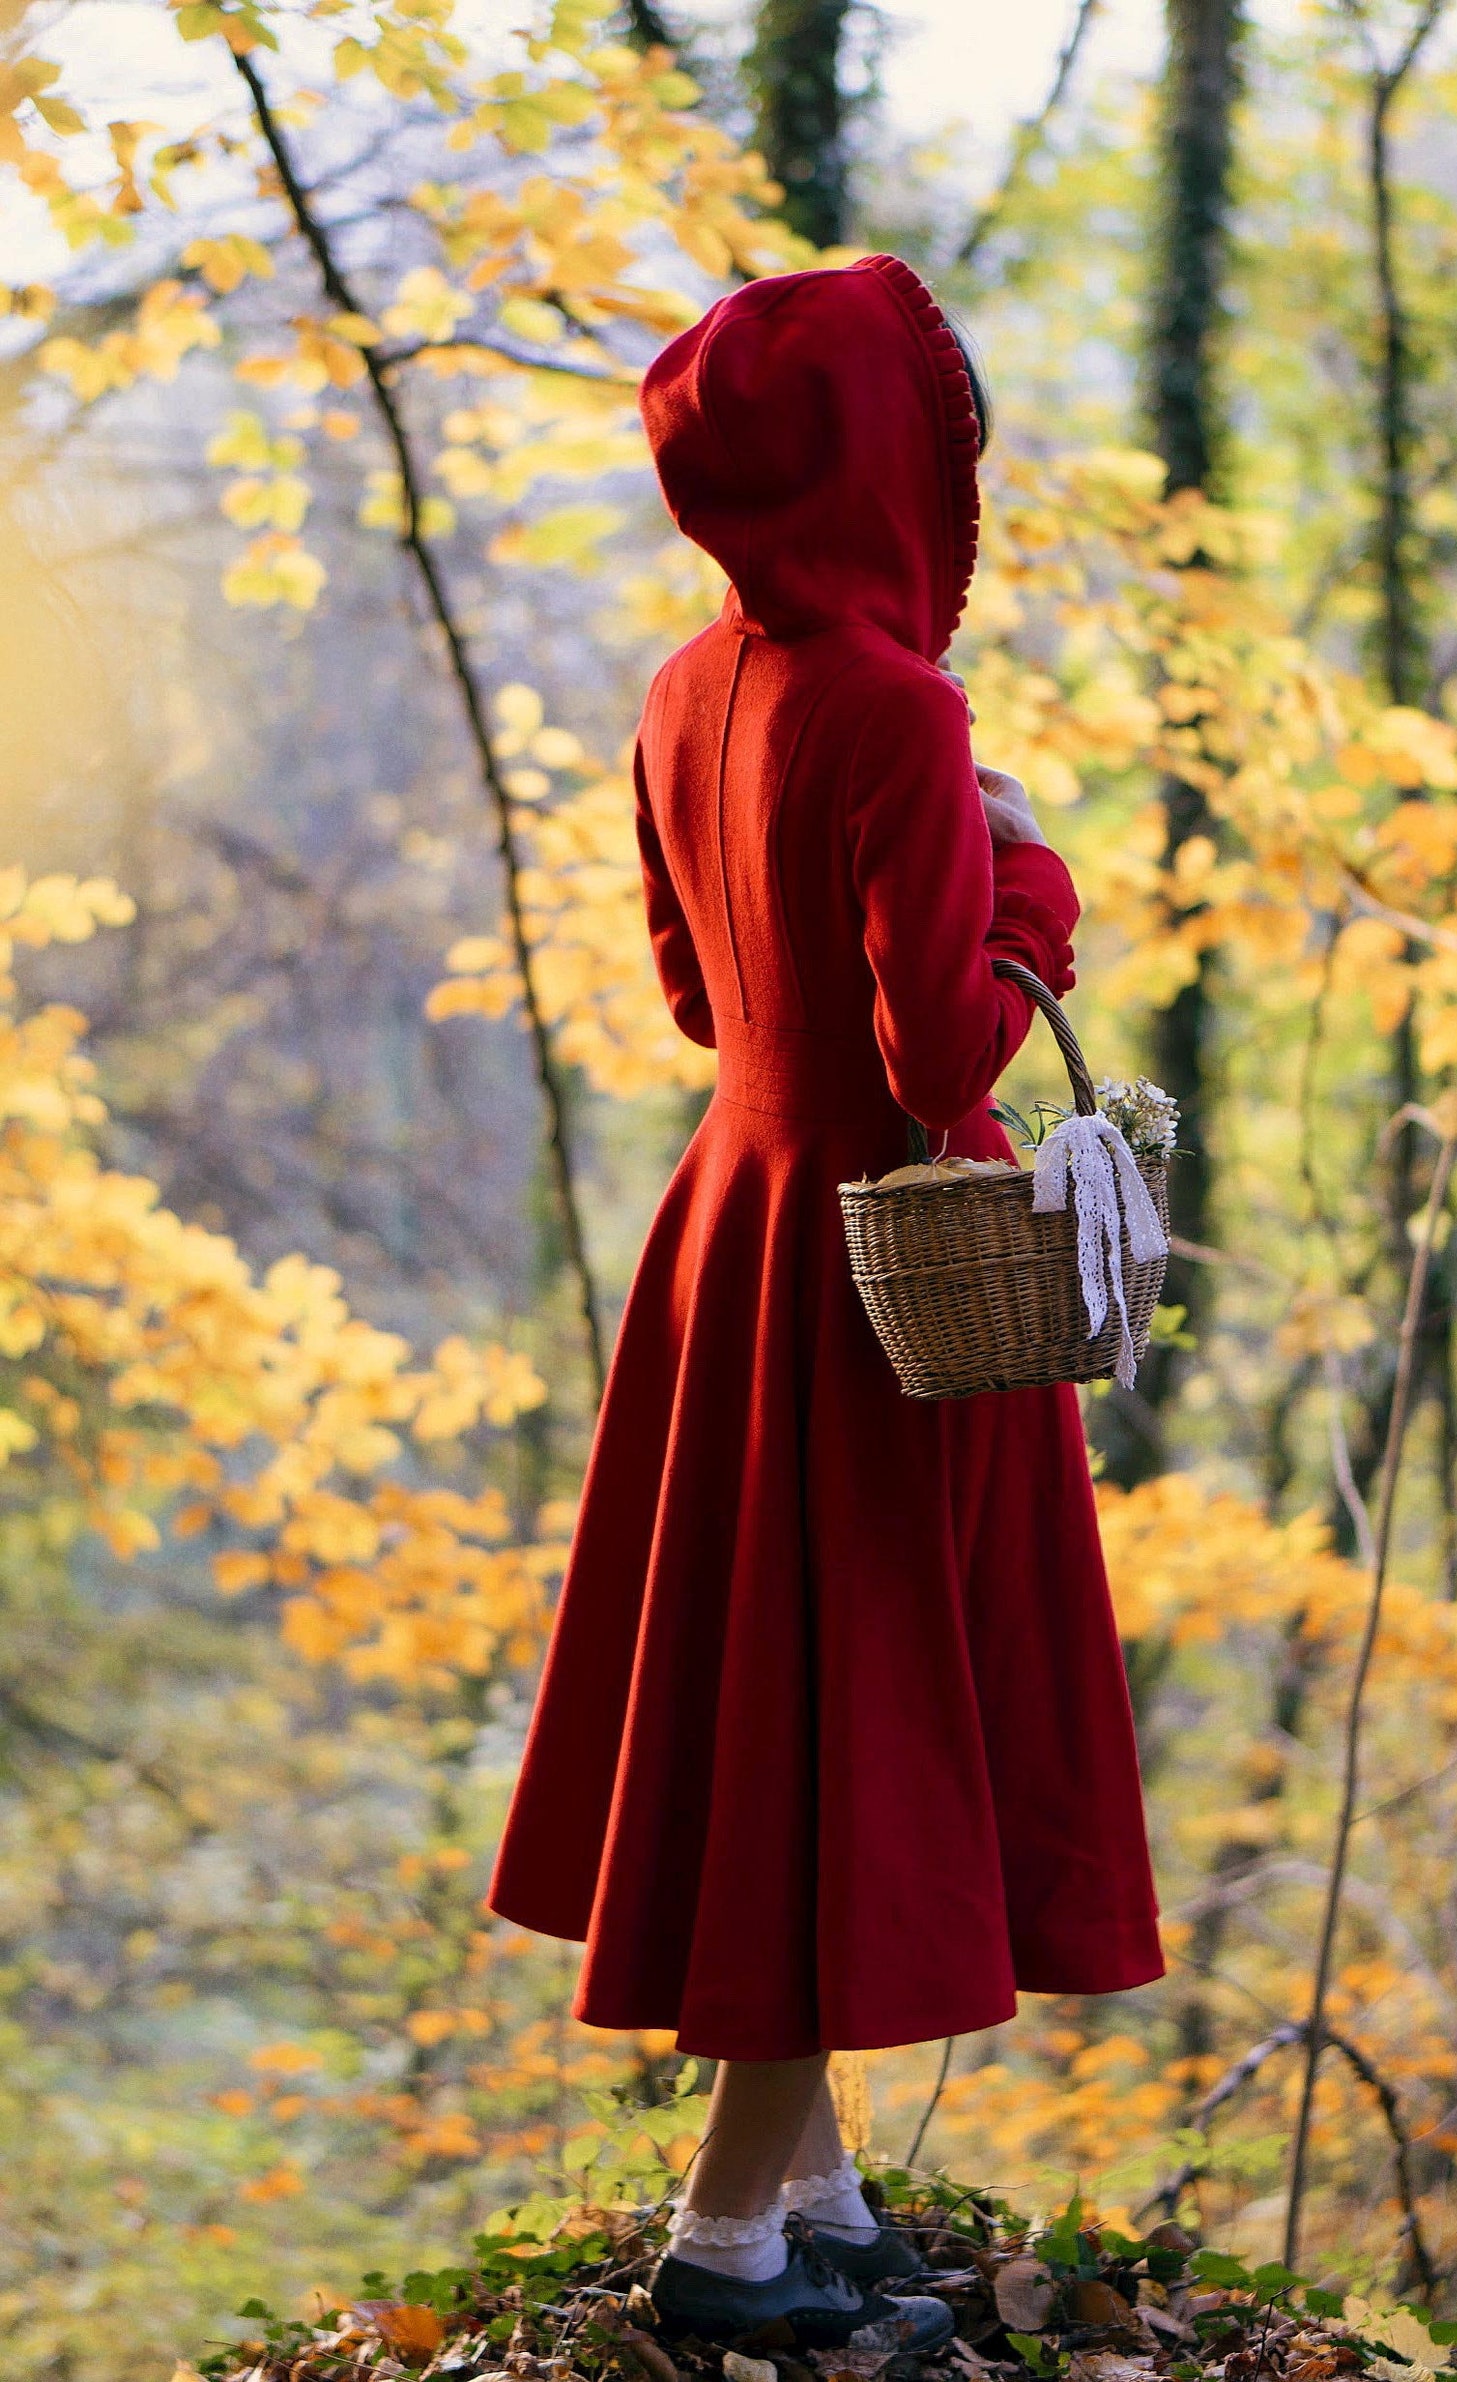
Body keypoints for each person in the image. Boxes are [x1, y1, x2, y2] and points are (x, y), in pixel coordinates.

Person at [488, 254, 1163, 2351]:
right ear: (891, 460)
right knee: (854, 1719)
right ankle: (721, 2241)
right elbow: (941, 1058)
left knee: (799, 1715)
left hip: (735, 1239)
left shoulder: (684, 693)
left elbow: (700, 1000)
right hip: (877, 1276)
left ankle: (814, 2181)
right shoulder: (898, 707)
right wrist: (1027, 870)